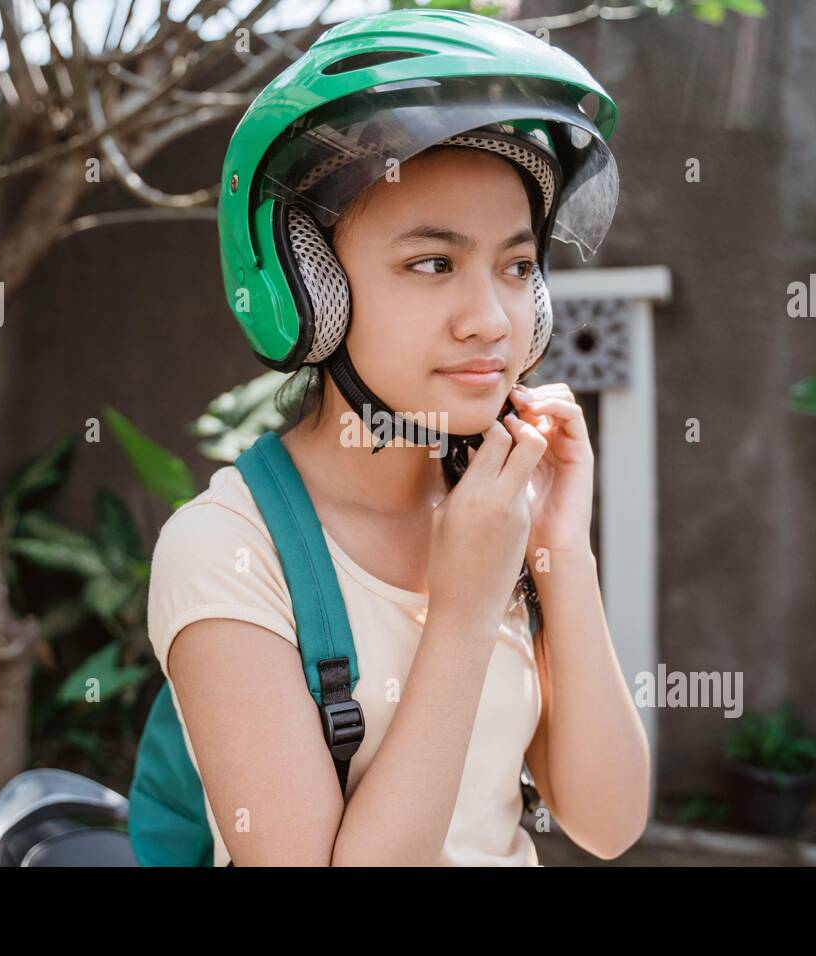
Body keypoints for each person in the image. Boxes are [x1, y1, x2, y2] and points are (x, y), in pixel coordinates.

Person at [147, 7, 650, 866]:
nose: (491, 319)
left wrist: (563, 548)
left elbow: (608, 822)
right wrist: (459, 612)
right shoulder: (226, 551)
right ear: (308, 285)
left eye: (518, 265)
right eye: (432, 263)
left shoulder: (496, 509)